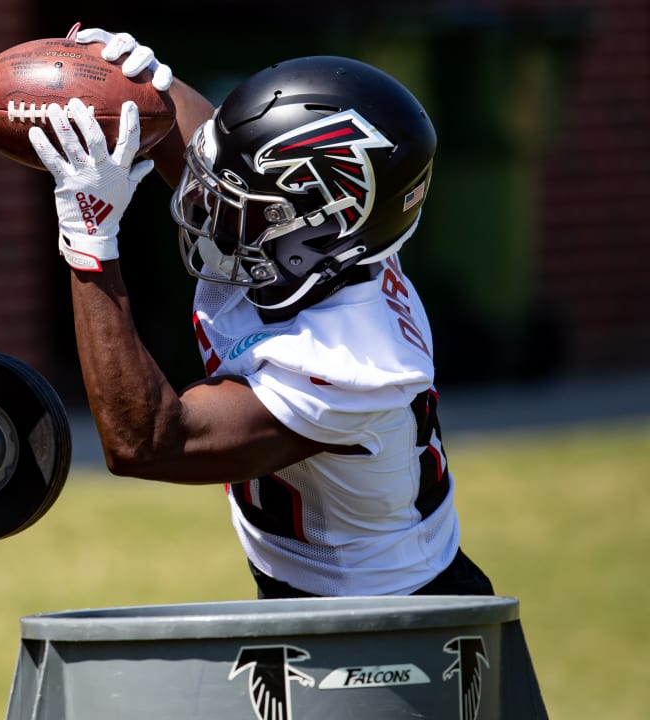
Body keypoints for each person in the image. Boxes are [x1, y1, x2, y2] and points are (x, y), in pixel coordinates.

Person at [29, 28, 494, 599]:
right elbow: (222, 154)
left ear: (317, 230)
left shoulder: (351, 363)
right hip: (323, 593)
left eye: (249, 208)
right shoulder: (333, 249)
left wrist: (89, 242)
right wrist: (151, 83)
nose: (209, 210)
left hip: (384, 621)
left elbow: (146, 441)